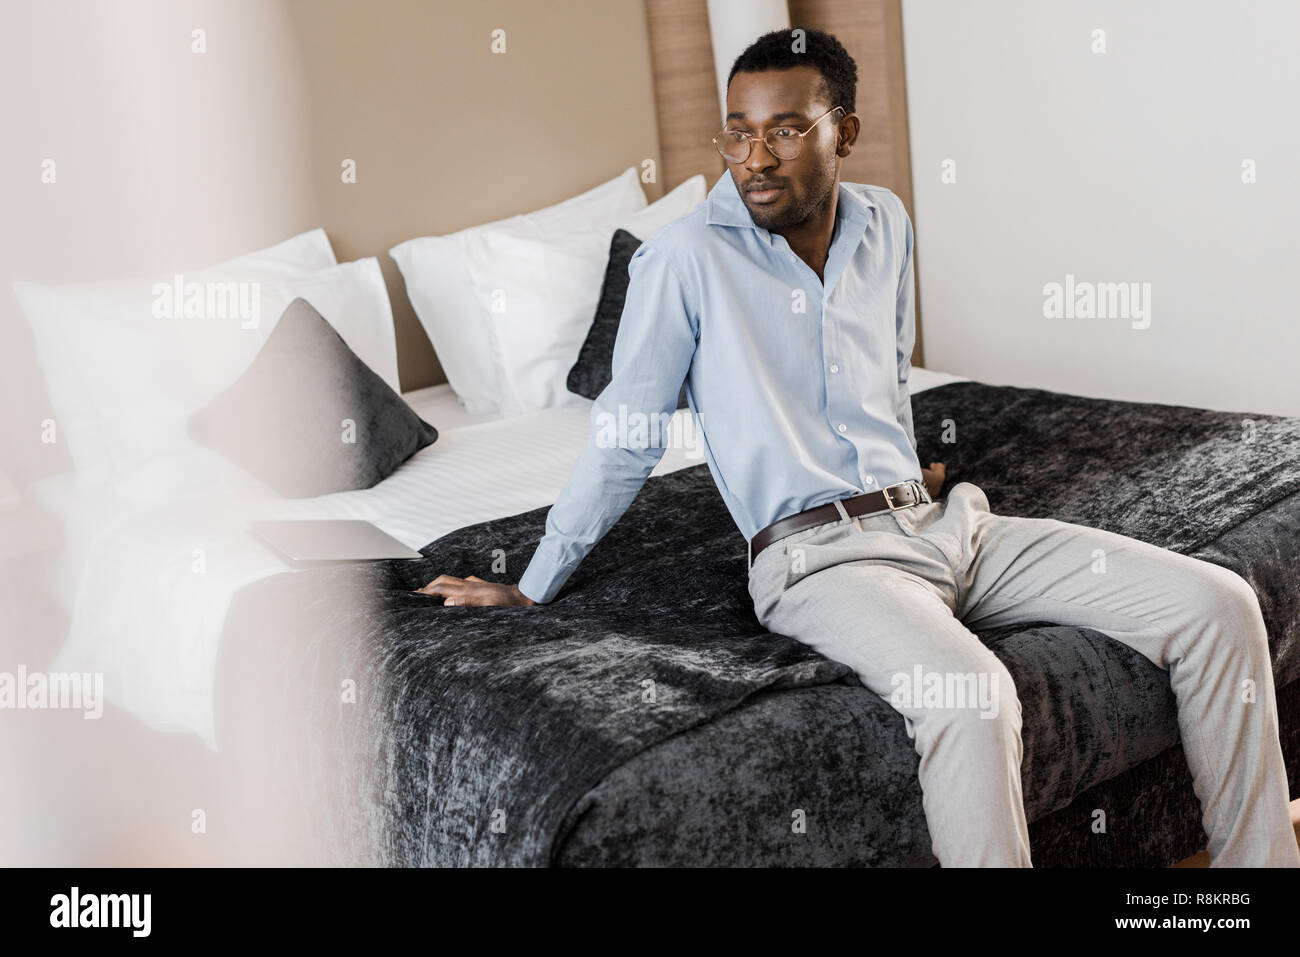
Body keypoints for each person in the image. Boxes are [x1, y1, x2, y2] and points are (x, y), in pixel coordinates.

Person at [418, 28, 1299, 867]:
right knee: (975, 697)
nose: (754, 158)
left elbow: (885, 367)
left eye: (787, 129)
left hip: (943, 526)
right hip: (820, 560)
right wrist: (534, 582)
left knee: (1220, 603)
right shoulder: (683, 259)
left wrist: (907, 470)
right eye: (738, 132)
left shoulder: (885, 221)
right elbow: (626, 439)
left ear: (846, 132)